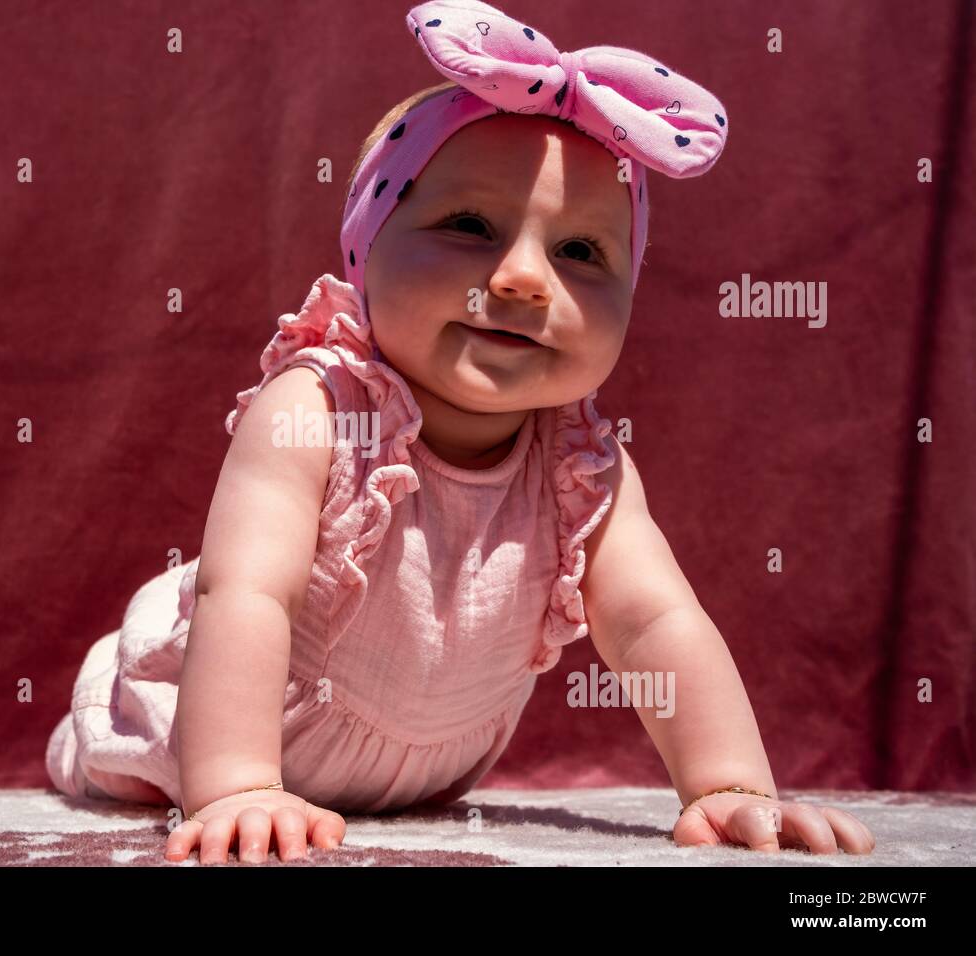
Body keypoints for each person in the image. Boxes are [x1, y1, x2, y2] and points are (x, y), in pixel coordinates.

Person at [46, 0, 877, 864]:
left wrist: (730, 785)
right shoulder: (318, 408)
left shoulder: (583, 466)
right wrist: (235, 787)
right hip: (203, 722)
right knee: (107, 767)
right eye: (471, 227)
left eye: (582, 253)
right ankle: (97, 744)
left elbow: (656, 621)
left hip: (425, 768)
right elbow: (246, 594)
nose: (522, 278)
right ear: (366, 254)